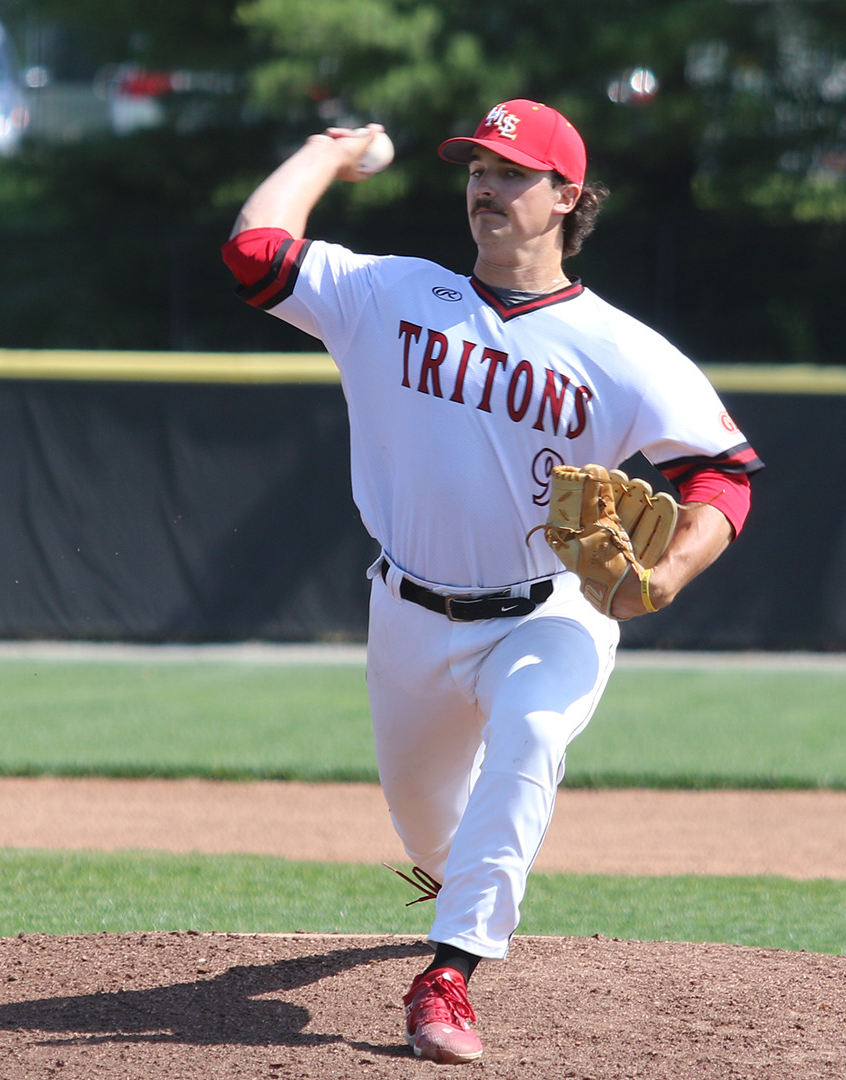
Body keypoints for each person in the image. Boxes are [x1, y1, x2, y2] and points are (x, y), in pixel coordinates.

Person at [220, 100, 761, 1064]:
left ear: (569, 198)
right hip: (407, 617)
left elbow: (723, 474)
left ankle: (448, 976)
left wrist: (666, 574)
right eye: (476, 169)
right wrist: (326, 151)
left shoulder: (623, 349)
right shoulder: (389, 294)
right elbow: (257, 254)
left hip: (550, 609)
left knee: (534, 731)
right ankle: (461, 880)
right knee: (434, 836)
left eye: (512, 172)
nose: (486, 187)